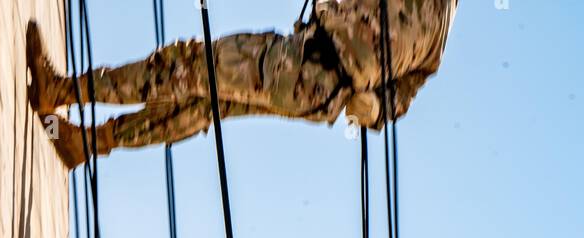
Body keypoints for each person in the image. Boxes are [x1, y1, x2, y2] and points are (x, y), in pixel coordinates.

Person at [26, 2, 460, 169]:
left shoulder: (438, 33)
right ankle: (87, 142)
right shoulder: (438, 29)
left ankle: (60, 93)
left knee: (184, 68)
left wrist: (380, 110)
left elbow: (406, 91)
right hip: (311, 77)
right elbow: (406, 89)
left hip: (304, 71)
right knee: (199, 106)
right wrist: (382, 107)